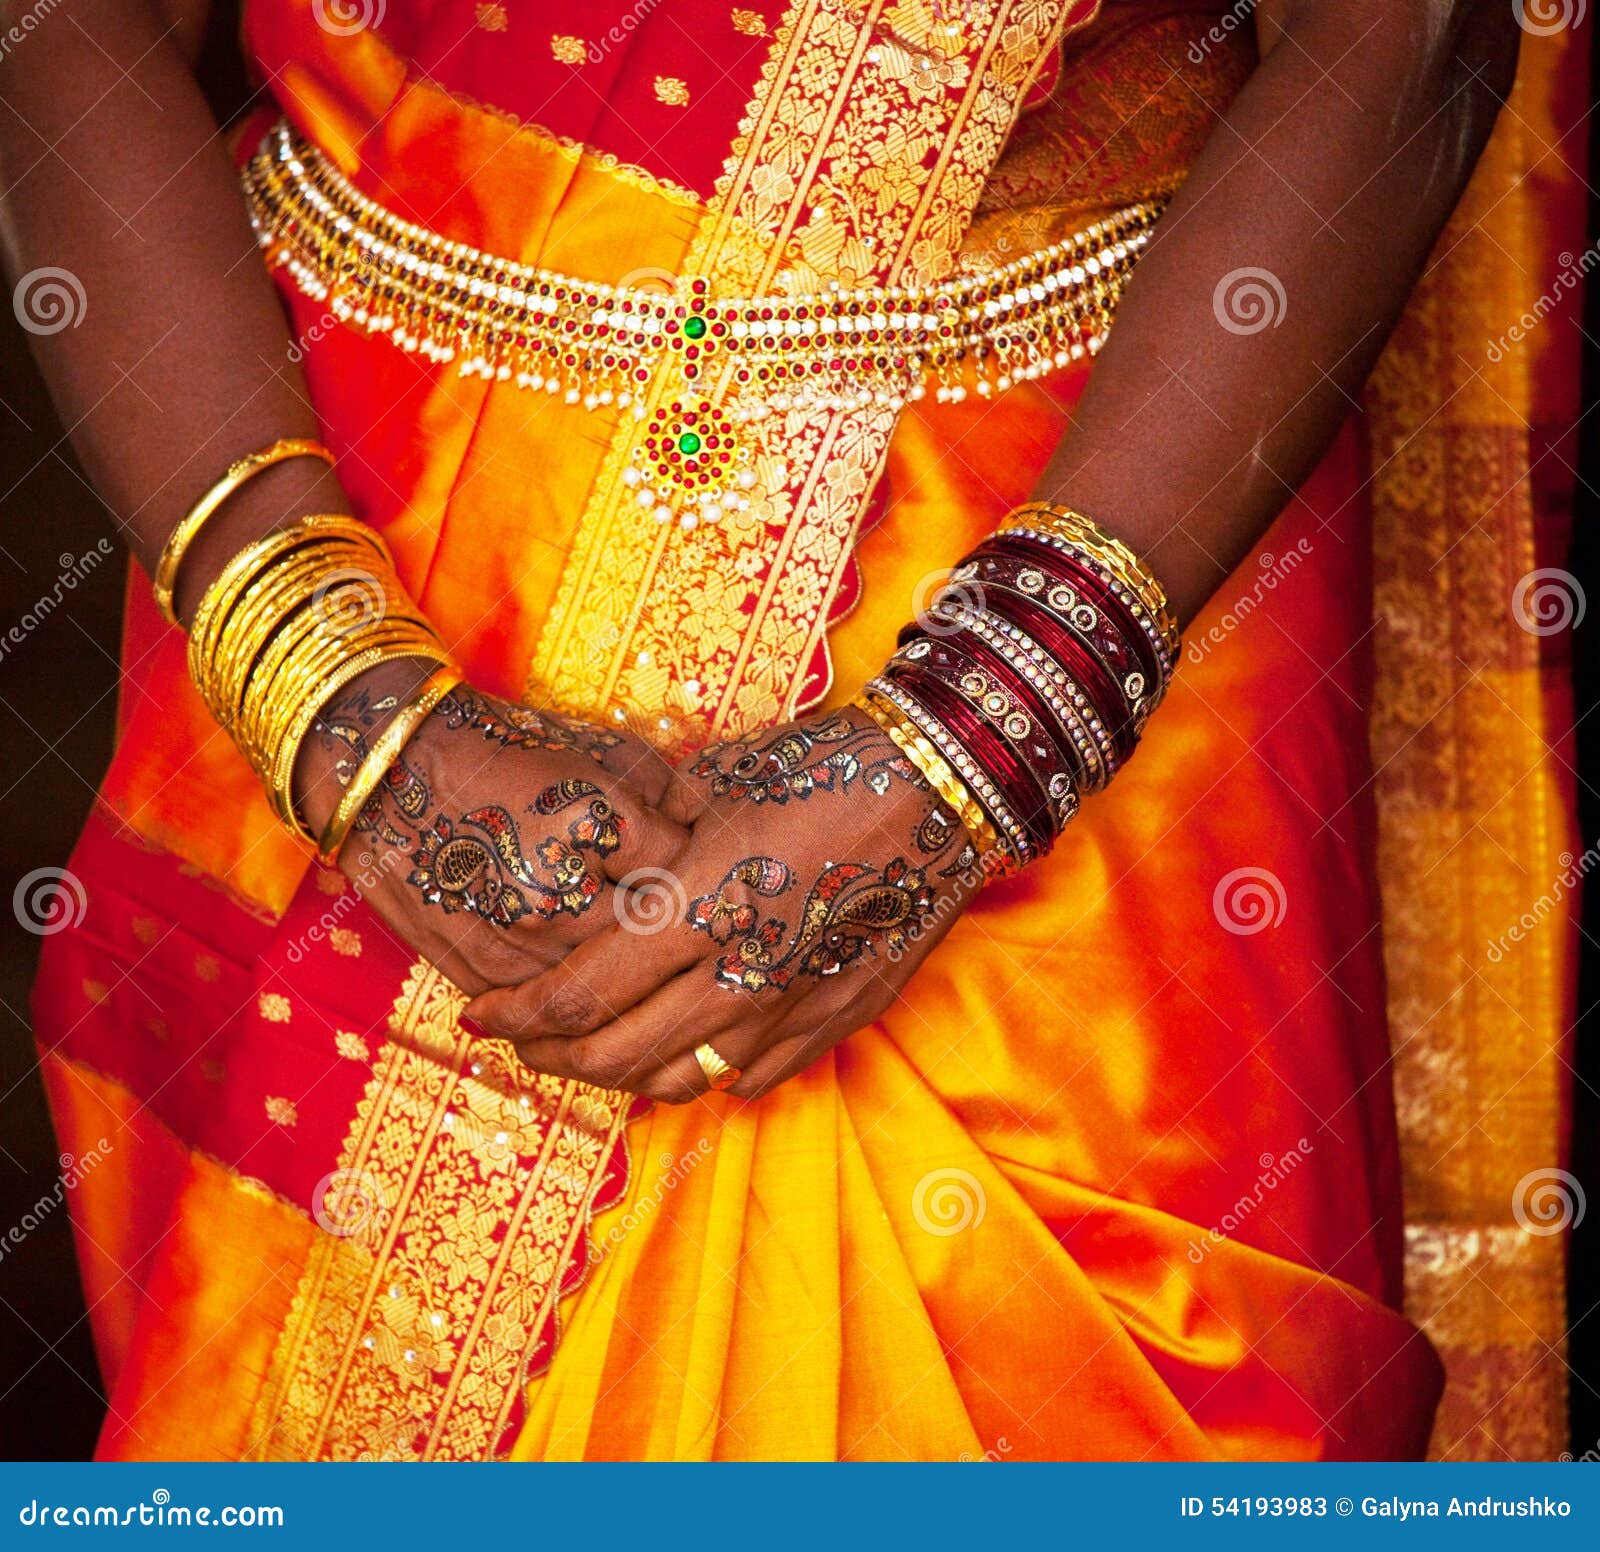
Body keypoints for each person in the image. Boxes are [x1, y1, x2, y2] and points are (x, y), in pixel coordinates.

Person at [6, 0, 1519, 1460]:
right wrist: (323, 677)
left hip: (1102, 515)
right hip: (346, 509)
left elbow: (1407, 30)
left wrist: (989, 731)